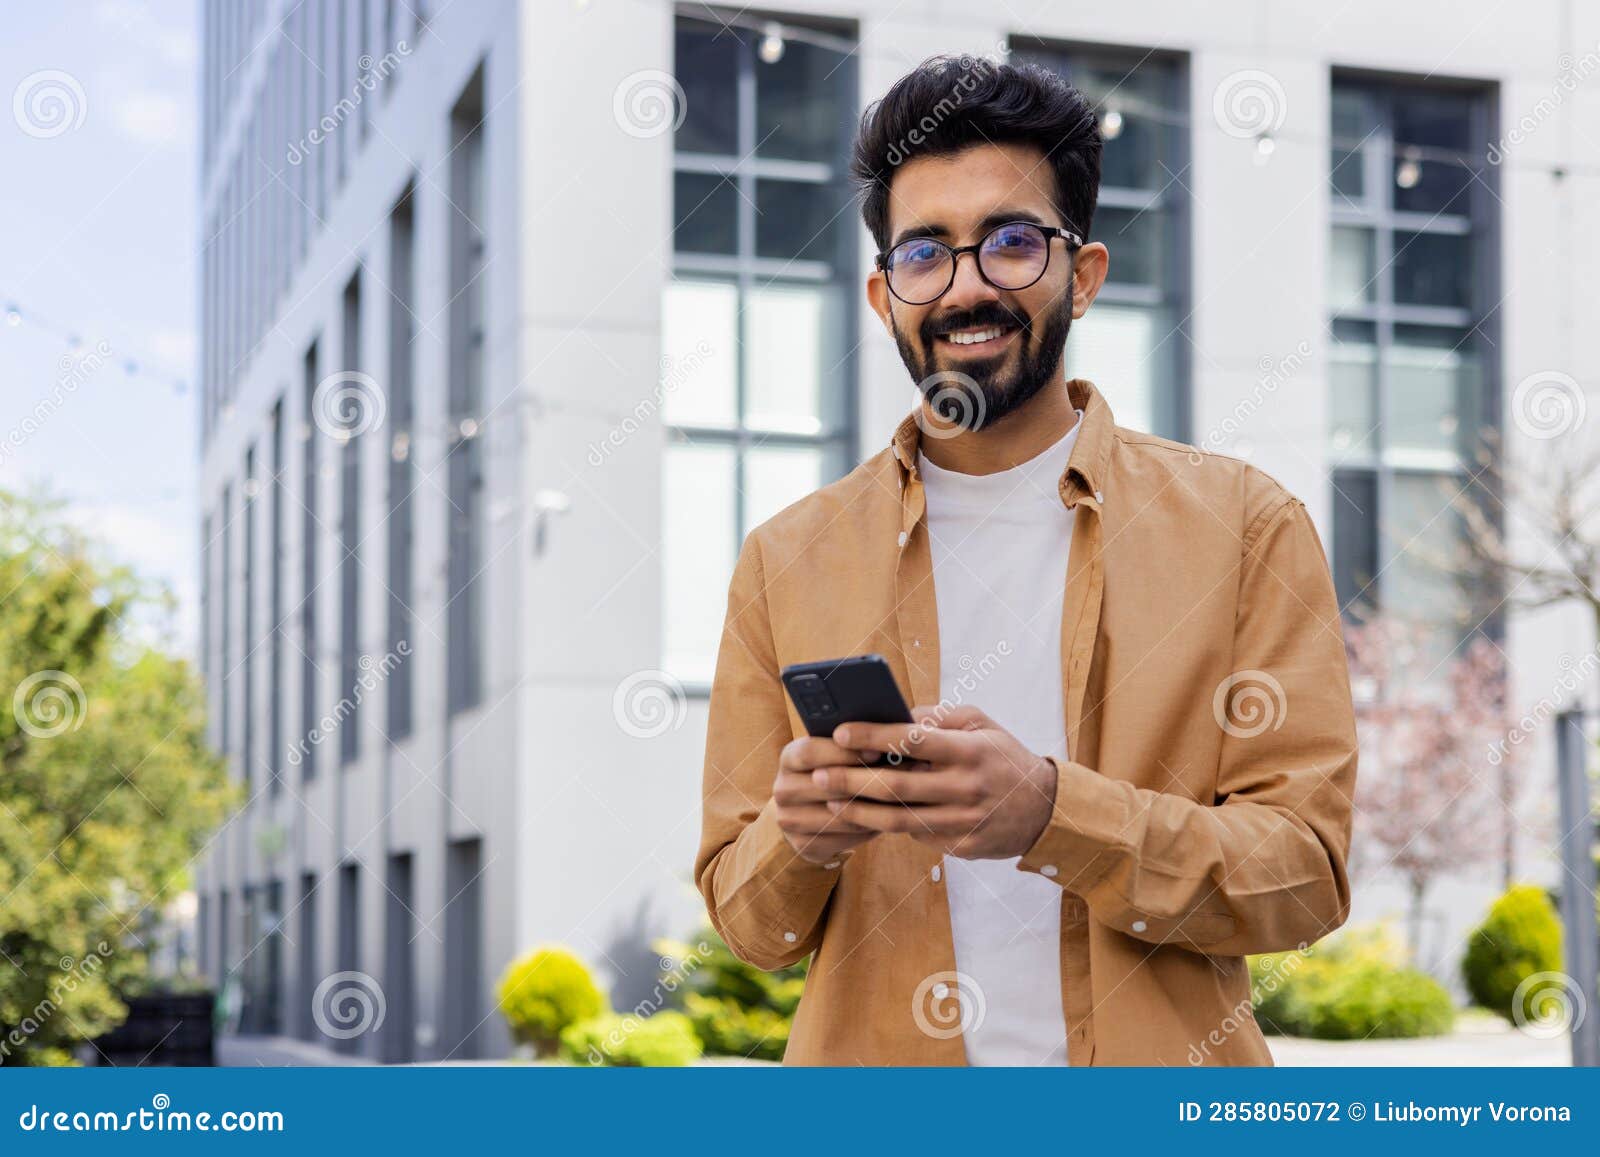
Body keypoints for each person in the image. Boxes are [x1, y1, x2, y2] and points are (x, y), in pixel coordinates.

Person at [694, 55, 1357, 1066]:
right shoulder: (785, 558)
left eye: (1010, 243)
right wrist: (802, 834)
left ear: (1081, 274)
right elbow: (750, 927)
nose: (966, 286)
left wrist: (1054, 813)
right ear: (883, 295)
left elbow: (1304, 877)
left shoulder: (1244, 525)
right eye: (925, 254)